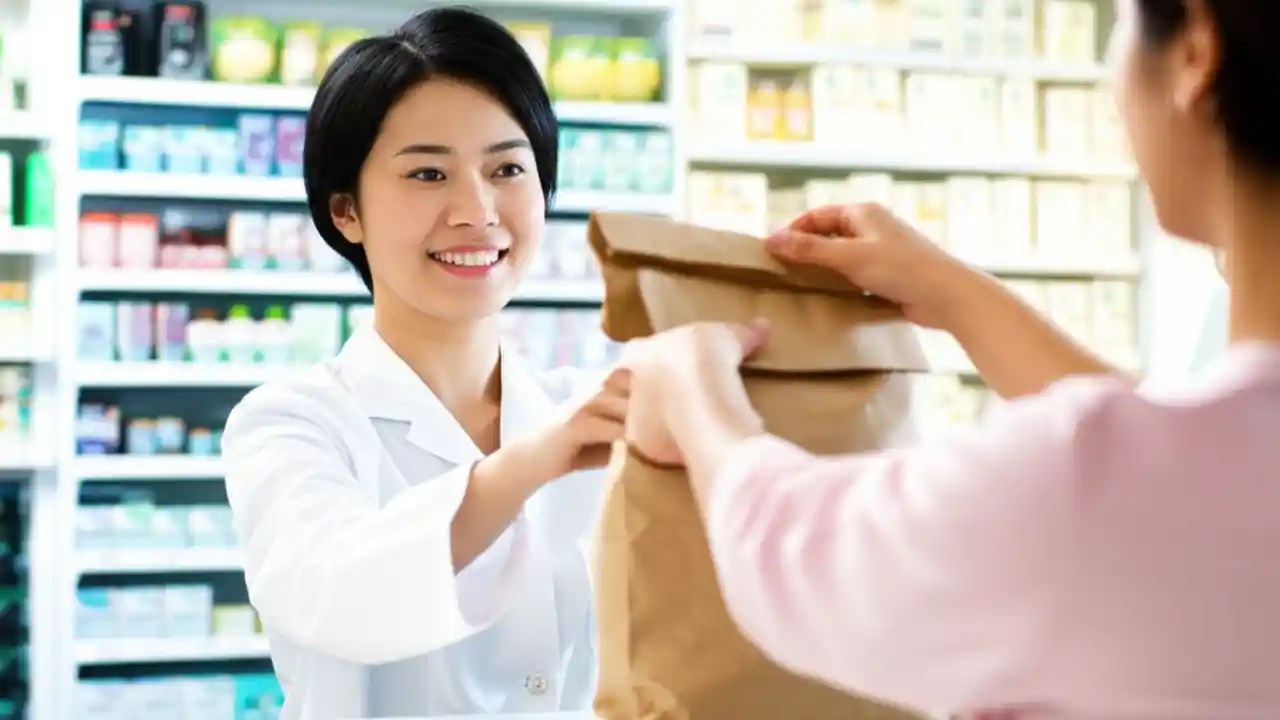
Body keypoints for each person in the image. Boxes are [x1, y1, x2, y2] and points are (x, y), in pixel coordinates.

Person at [623, 0, 1280, 717]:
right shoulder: (1205, 470)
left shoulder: (1080, 487)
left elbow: (793, 550)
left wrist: (695, 389)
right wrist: (953, 291)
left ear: (1194, 50)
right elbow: (1170, 469)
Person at [220, 8, 628, 720]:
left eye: (507, 168)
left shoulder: (589, 405)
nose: (476, 210)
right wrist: (533, 463)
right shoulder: (291, 423)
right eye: (428, 173)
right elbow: (340, 593)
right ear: (345, 210)